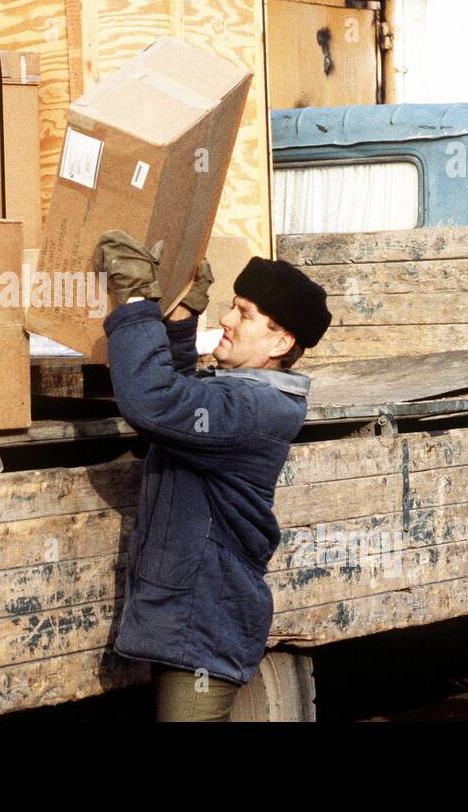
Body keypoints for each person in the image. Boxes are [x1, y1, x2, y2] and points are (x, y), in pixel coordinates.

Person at [92, 230, 333, 721]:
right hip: (193, 617)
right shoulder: (239, 394)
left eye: (243, 314)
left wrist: (137, 301)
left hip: (204, 625)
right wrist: (182, 318)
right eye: (231, 306)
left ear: (280, 341)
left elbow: (154, 403)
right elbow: (183, 399)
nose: (225, 319)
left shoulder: (255, 407)